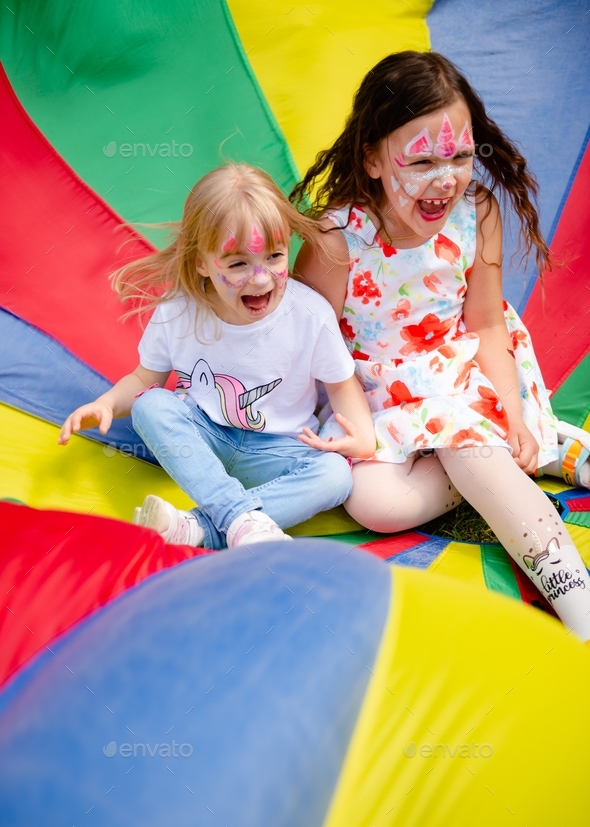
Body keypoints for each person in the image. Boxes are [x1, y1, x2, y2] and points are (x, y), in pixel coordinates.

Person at [292, 51, 590, 639]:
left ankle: (577, 600)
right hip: (376, 394)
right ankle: (551, 451)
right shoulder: (336, 239)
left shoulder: (474, 214)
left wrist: (509, 409)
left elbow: (483, 325)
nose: (445, 178)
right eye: (422, 159)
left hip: (465, 370)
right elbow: (313, 349)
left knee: (468, 445)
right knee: (378, 506)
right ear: (373, 159)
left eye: (458, 155)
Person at [58, 164, 375, 550]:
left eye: (274, 257)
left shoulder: (310, 315)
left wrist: (361, 438)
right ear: (202, 262)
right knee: (150, 407)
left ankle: (200, 530)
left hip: (277, 450)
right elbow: (145, 381)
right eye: (238, 263)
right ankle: (241, 521)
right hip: (204, 442)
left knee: (335, 477)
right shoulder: (179, 311)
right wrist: (107, 403)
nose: (260, 278)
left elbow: (342, 386)